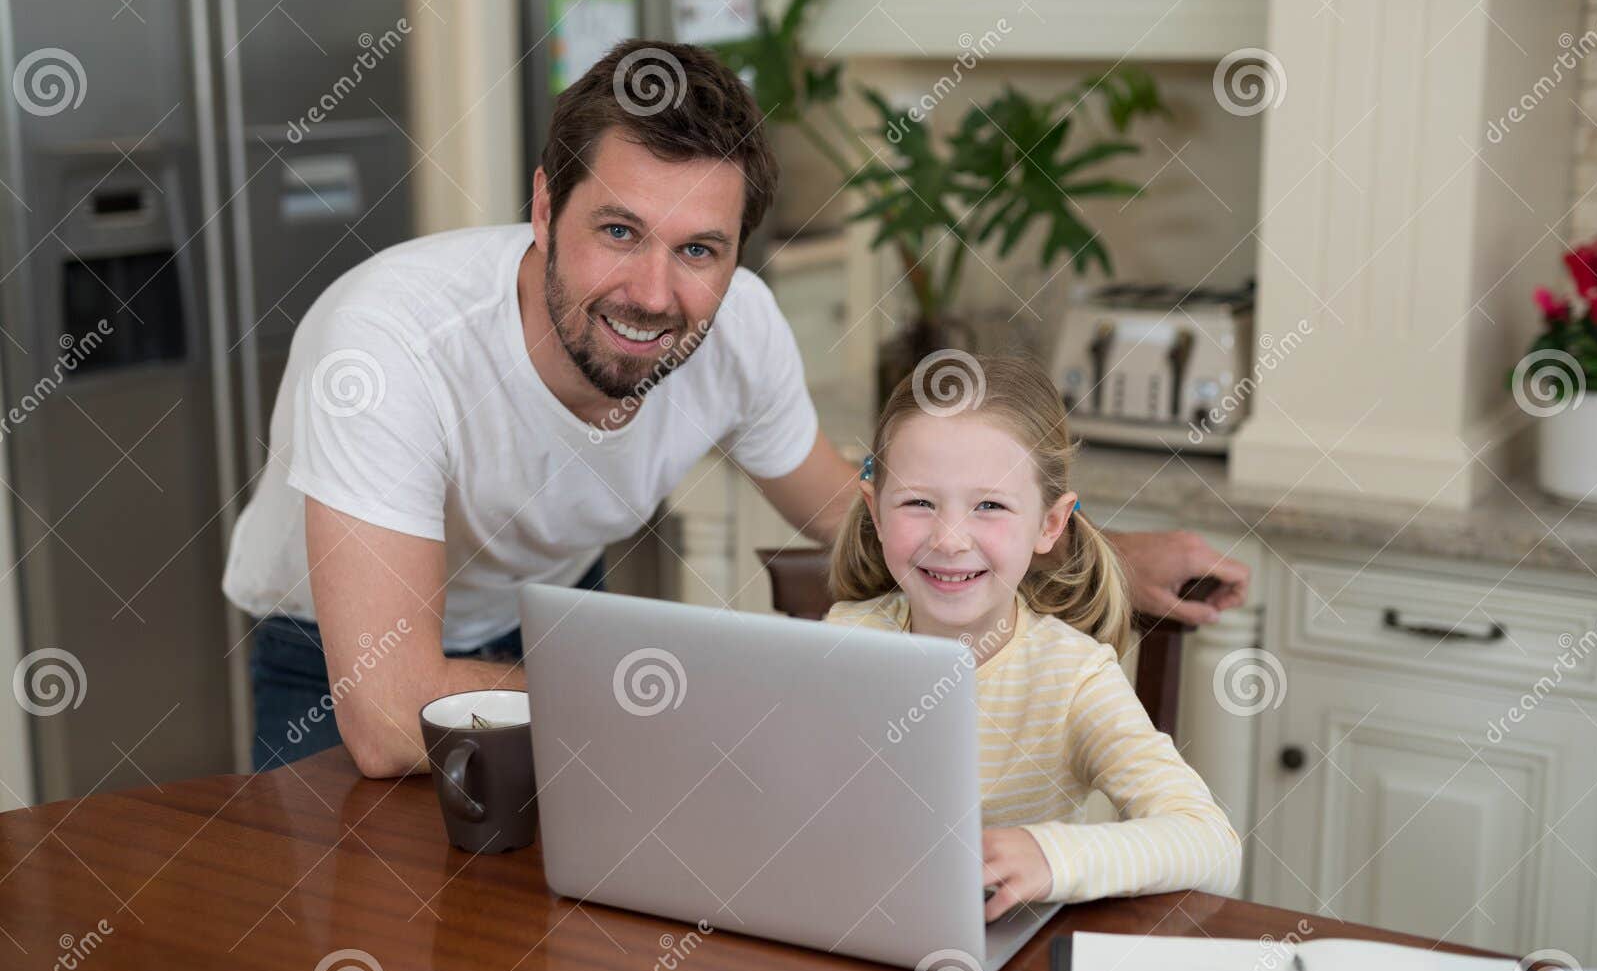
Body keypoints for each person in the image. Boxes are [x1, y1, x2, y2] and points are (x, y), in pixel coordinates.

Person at [222, 38, 1248, 779]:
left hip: (542, 618)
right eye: (617, 231)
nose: (654, 294)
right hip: (335, 658)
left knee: (533, 957)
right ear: (542, 207)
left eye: (698, 249)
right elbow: (393, 714)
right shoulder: (389, 344)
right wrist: (697, 689)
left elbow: (846, 510)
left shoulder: (739, 327)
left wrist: (1099, 555)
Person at [824, 355, 1242, 920]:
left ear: (1050, 524)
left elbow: (1212, 845)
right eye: (919, 502)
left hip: (1014, 967)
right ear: (876, 512)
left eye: (990, 505)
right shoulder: (844, 640)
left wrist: (1050, 854)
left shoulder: (1072, 676)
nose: (949, 539)